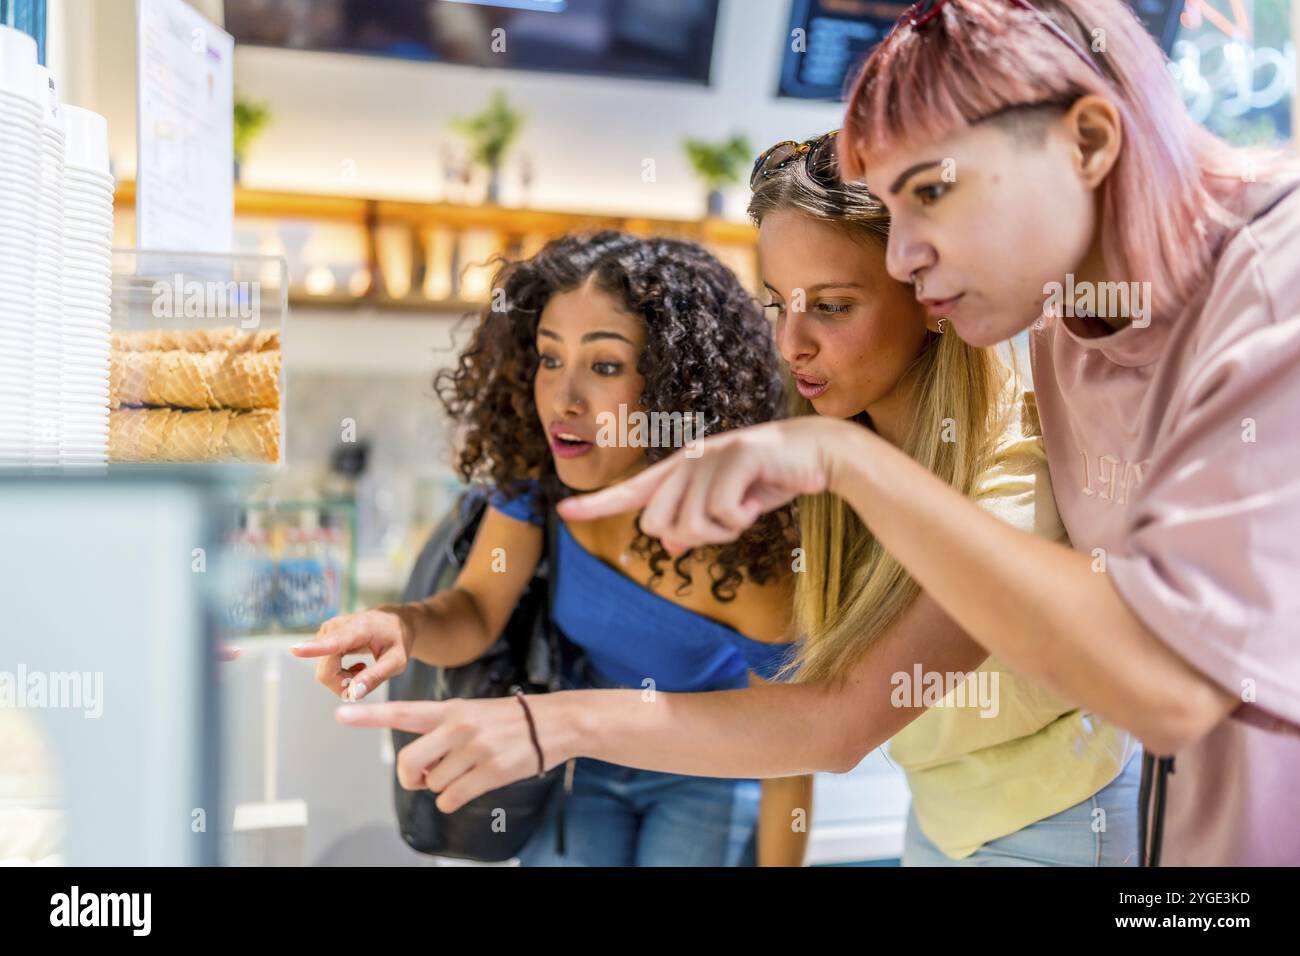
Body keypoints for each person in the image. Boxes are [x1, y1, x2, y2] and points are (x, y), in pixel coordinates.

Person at [552, 0, 1300, 865]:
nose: (906, 257)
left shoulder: (1270, 291)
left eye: (931, 193)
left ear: (1089, 141)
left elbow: (1167, 680)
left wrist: (845, 462)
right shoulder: (1070, 328)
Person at [338, 132, 1143, 866]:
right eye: (776, 302)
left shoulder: (1006, 482)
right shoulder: (815, 451)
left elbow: (832, 726)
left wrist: (552, 724)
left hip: (1066, 822)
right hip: (941, 820)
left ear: (929, 294)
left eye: (830, 306)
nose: (790, 343)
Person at [295, 231, 808, 866]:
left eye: (605, 366)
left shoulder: (750, 550)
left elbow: (791, 746)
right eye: (549, 358)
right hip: (576, 757)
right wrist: (400, 625)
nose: (563, 400)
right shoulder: (538, 481)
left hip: (706, 765)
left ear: (679, 387)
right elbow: (477, 611)